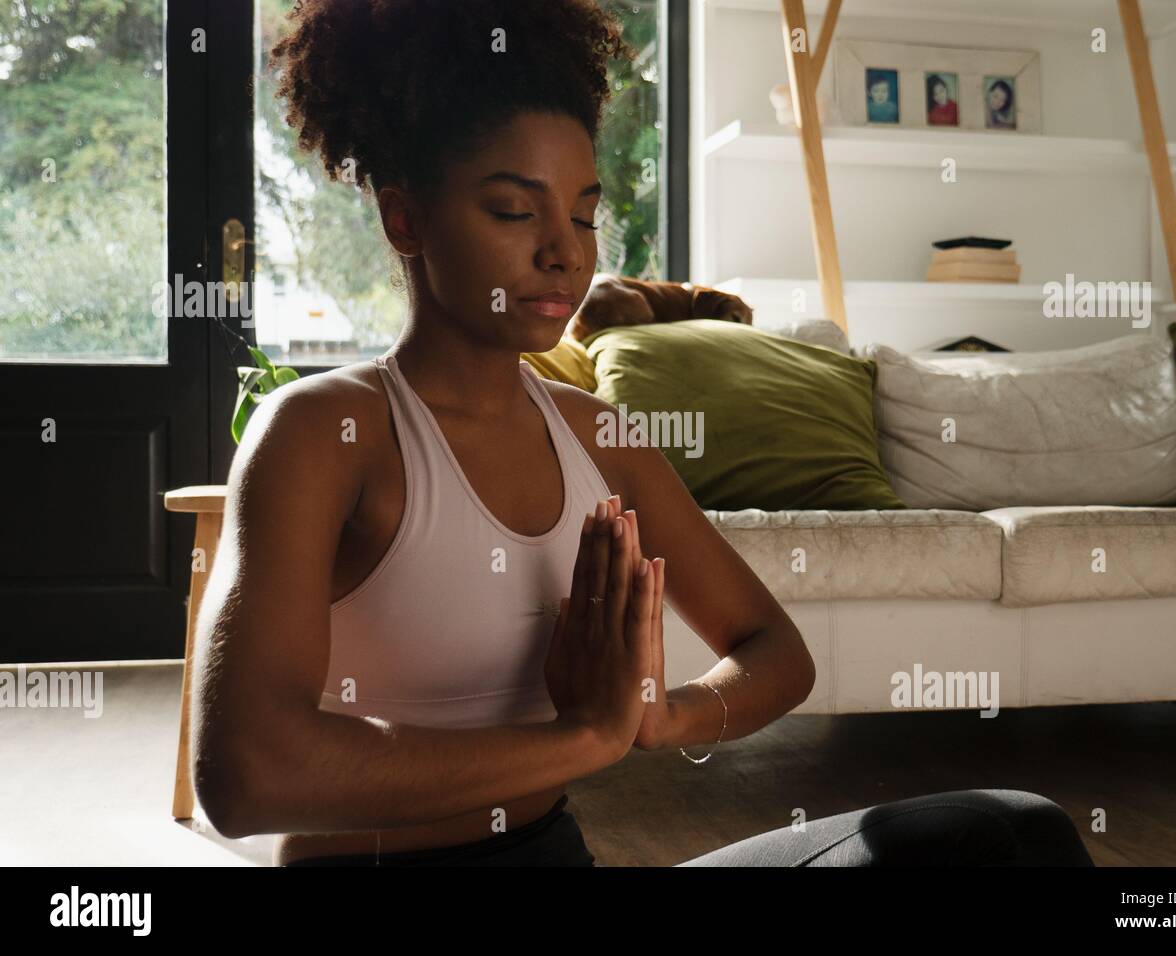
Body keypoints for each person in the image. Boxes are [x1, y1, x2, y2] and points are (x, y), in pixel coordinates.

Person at [189, 0, 1094, 869]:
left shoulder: (601, 437)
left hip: (555, 858)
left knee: (1010, 836)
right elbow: (246, 774)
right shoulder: (324, 433)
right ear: (405, 218)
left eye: (583, 214)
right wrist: (581, 737)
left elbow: (775, 655)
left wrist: (666, 717)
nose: (566, 251)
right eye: (515, 210)